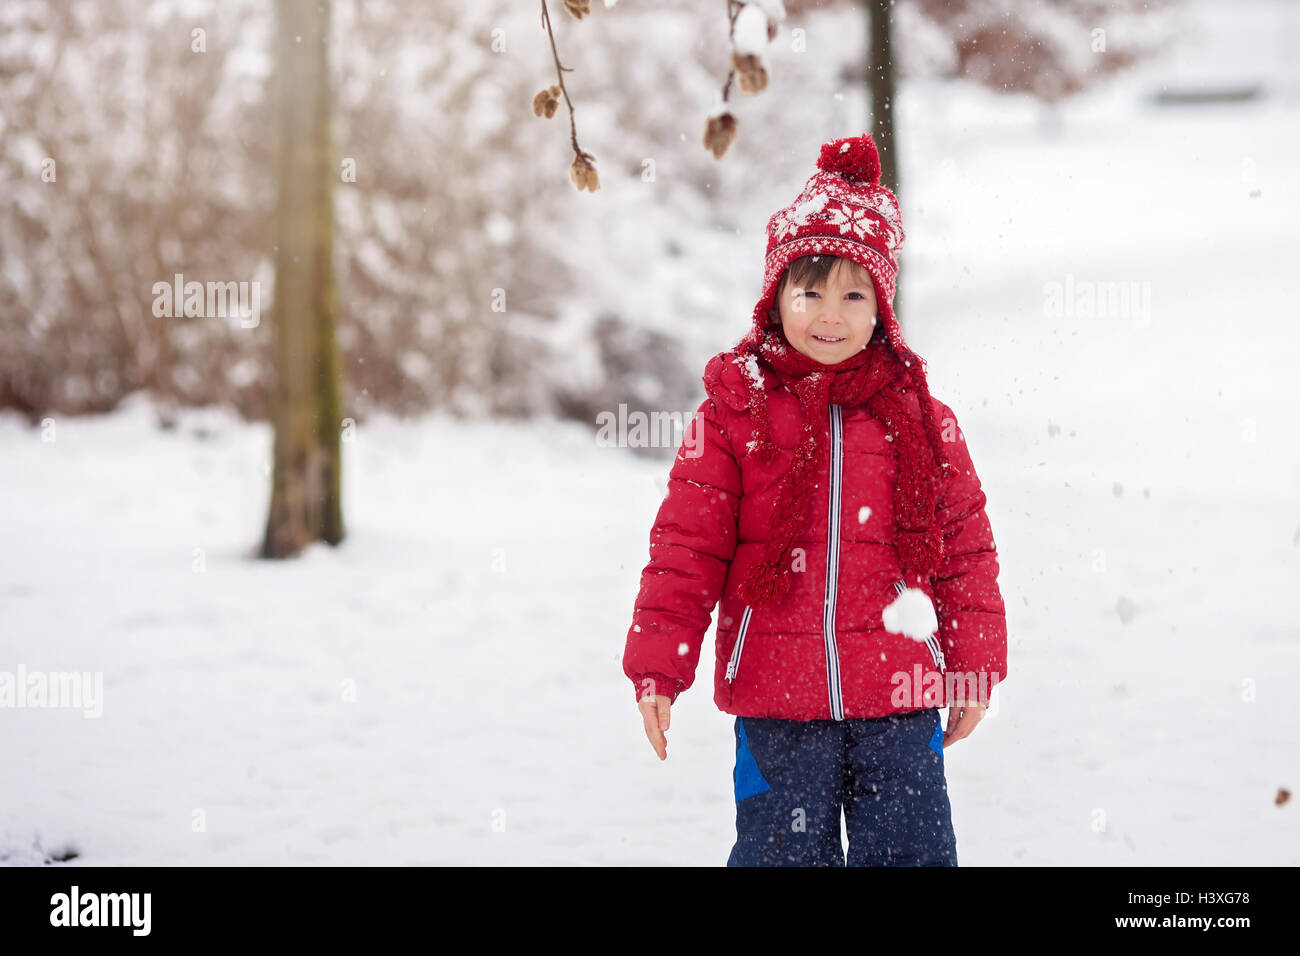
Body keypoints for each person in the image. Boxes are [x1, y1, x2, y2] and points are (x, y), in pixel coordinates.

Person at [621, 132, 1008, 866]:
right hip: (776, 700)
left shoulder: (921, 419)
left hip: (899, 694)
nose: (830, 314)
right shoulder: (736, 410)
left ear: (882, 307)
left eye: (853, 293)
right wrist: (659, 666)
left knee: (910, 855)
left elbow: (966, 547)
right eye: (810, 291)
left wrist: (973, 665)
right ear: (777, 297)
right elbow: (686, 547)